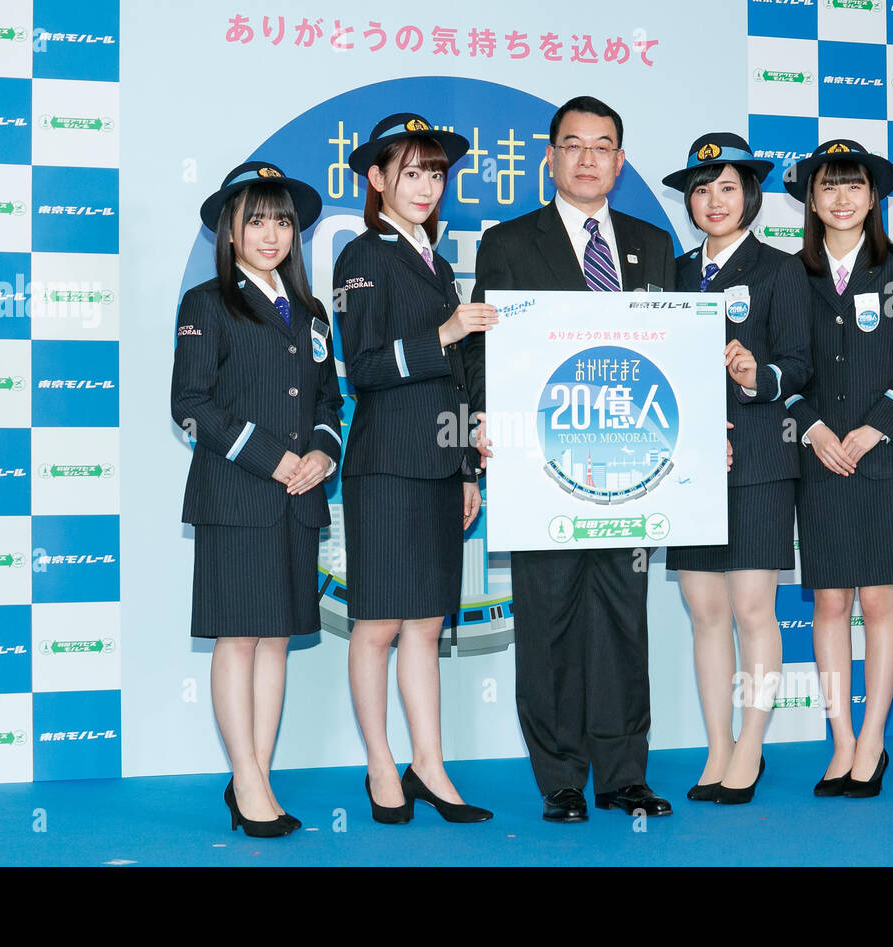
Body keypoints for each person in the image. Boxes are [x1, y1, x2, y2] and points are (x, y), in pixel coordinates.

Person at [472, 96, 676, 823]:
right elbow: (480, 346)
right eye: (573, 145)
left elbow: (676, 357)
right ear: (549, 159)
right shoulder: (507, 242)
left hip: (630, 465)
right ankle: (560, 779)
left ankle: (625, 775)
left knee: (624, 619)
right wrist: (476, 426)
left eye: (603, 146)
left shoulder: (654, 246)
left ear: (620, 163)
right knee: (550, 617)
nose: (588, 158)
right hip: (540, 466)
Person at [171, 161, 344, 837]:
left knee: (276, 640)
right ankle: (246, 782)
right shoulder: (206, 304)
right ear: (229, 231)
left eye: (281, 221)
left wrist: (324, 453)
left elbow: (328, 400)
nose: (270, 234)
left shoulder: (310, 312)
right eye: (255, 220)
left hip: (299, 501)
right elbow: (189, 405)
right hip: (236, 497)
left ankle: (257, 775)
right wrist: (276, 460)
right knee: (239, 641)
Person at [334, 112, 496, 824]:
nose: (427, 185)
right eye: (412, 172)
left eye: (435, 172)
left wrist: (466, 467)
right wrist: (446, 331)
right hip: (385, 468)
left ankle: (428, 764)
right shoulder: (363, 257)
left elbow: (457, 381)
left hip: (437, 468)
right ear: (376, 179)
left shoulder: (434, 260)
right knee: (376, 625)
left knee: (426, 625)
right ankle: (379, 765)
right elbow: (364, 369)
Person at [782, 140, 893, 798]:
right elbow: (780, 373)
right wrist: (817, 430)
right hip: (819, 459)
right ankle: (840, 739)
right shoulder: (791, 275)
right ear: (811, 199)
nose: (842, 199)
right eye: (829, 187)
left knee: (879, 602)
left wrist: (874, 431)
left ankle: (873, 740)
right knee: (829, 602)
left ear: (875, 198)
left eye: (854, 187)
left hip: (886, 462)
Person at [660, 133, 812, 805]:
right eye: (701, 189)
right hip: (688, 465)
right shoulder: (670, 272)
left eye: (726, 187)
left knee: (754, 609)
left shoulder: (781, 270)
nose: (713, 201)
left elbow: (802, 363)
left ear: (750, 195)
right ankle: (716, 744)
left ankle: (751, 743)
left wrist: (759, 377)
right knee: (705, 611)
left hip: (758, 459)